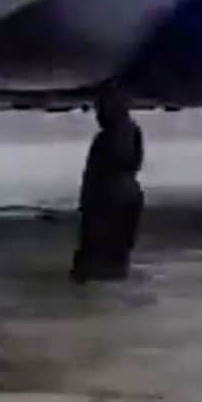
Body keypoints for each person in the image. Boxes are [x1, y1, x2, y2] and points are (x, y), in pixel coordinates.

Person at [70, 90, 144, 282]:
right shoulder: (133, 131)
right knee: (119, 248)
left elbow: (93, 173)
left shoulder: (104, 138)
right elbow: (136, 161)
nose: (98, 116)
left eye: (100, 110)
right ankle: (113, 275)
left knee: (95, 245)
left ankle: (91, 277)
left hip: (107, 196)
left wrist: (85, 202)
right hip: (129, 193)